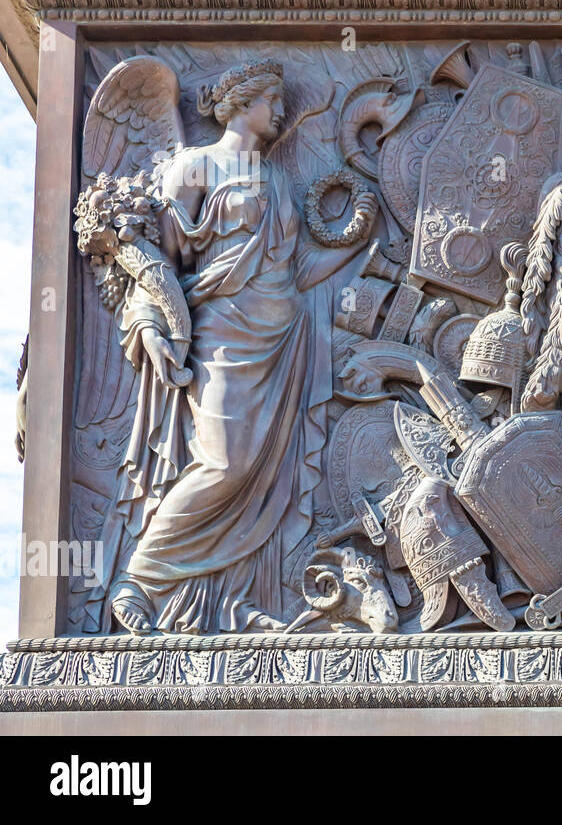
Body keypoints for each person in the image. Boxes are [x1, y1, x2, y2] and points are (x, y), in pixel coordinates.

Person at [107, 60, 376, 634]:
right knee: (226, 461)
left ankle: (233, 601)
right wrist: (152, 324)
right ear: (239, 102)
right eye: (271, 100)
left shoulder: (277, 180)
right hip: (225, 334)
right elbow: (157, 266)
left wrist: (359, 236)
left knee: (263, 471)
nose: (279, 112)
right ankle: (139, 577)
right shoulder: (193, 167)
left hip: (284, 338)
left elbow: (296, 267)